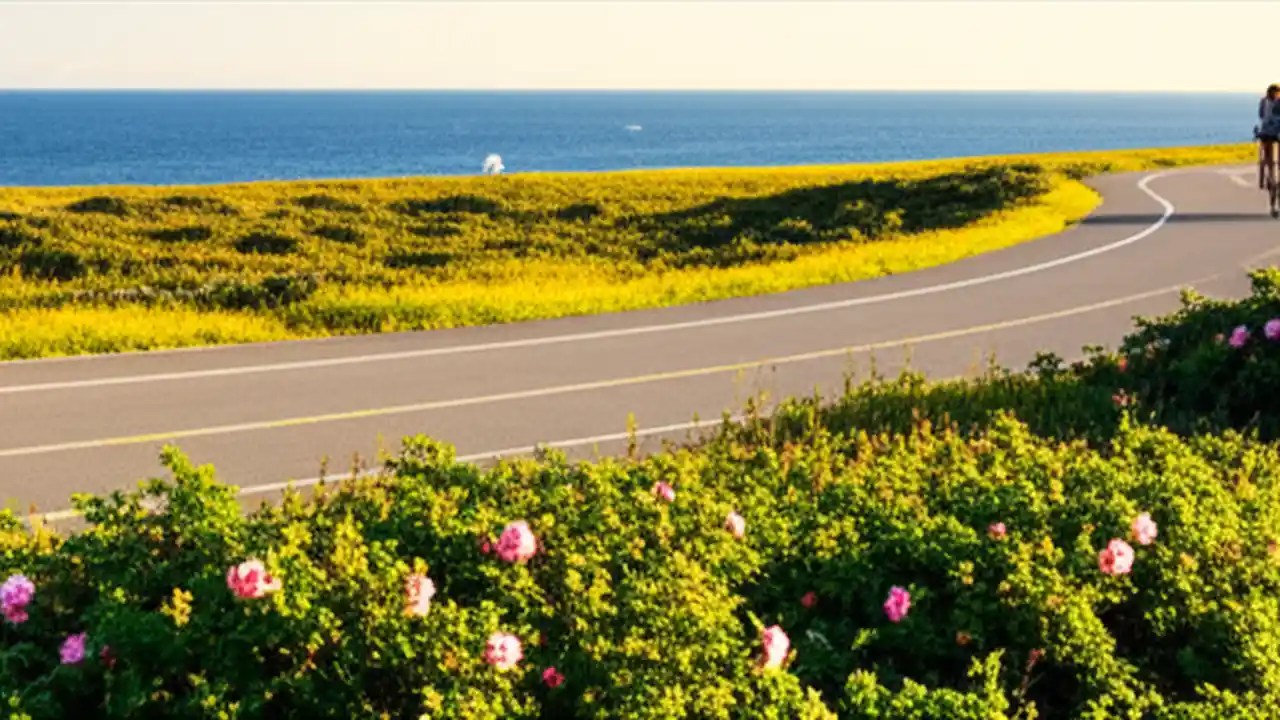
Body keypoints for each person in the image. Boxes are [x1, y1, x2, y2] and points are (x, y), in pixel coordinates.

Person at [1257, 85, 1280, 204]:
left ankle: (1270, 173)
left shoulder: (1264, 102)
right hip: (1268, 132)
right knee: (1268, 156)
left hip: (1269, 132)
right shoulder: (1265, 102)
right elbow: (1261, 115)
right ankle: (1270, 175)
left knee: (1269, 157)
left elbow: (1261, 115)